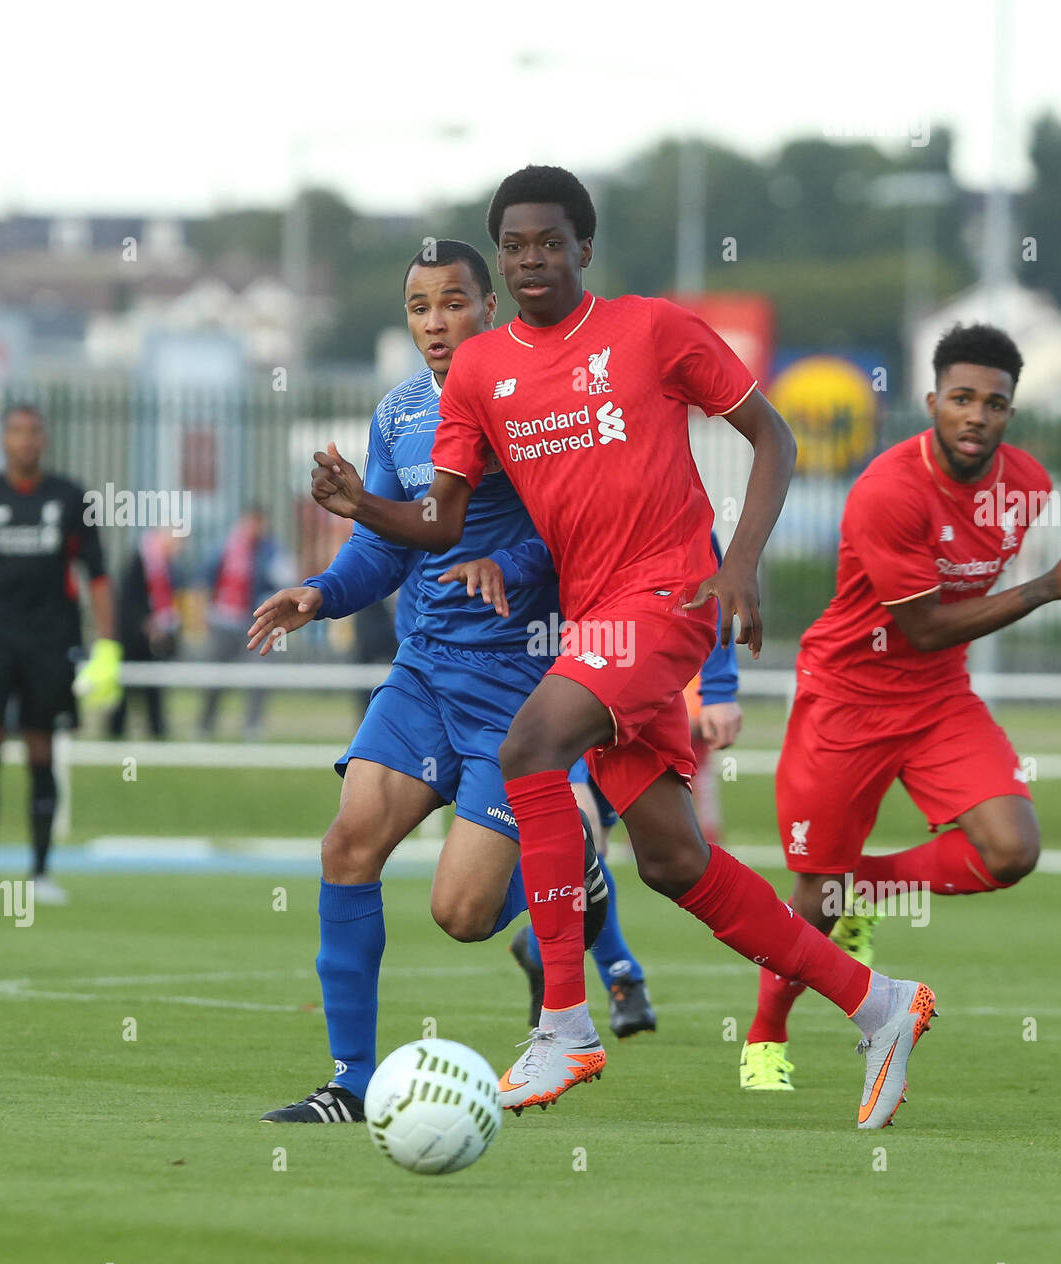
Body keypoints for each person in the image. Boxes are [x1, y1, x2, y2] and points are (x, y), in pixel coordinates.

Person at [311, 166, 936, 1129]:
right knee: (676, 862)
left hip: (667, 595)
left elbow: (773, 438)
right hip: (595, 615)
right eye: (514, 245)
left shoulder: (649, 329)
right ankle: (880, 1002)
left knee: (530, 748)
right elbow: (439, 521)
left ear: (584, 248)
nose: (530, 260)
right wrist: (364, 508)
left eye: (549, 242)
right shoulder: (479, 373)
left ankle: (565, 1021)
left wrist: (744, 565)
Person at [250, 240, 606, 1124]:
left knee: (463, 914)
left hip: (520, 683)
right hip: (424, 671)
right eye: (419, 307)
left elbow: (579, 529)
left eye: (453, 302)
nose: (436, 322)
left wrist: (510, 565)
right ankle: (353, 1080)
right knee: (347, 845)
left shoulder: (538, 402)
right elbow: (384, 540)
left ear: (489, 308)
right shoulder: (400, 412)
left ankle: (578, 874)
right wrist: (321, 592)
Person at [740, 323, 1061, 1093]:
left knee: (1010, 851)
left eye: (995, 403)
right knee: (814, 894)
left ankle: (865, 888)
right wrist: (1045, 589)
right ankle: (766, 1036)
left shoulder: (1029, 485)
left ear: (1011, 411)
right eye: (962, 398)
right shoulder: (886, 490)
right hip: (845, 698)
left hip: (938, 698)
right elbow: (925, 622)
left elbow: (943, 634)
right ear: (932, 400)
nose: (977, 414)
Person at [508, 532, 743, 1037]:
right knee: (579, 836)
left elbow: (709, 579)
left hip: (616, 681)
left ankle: (540, 947)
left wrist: (720, 687)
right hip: (537, 685)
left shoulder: (656, 484)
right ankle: (619, 978)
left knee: (615, 854)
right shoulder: (520, 474)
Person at [0, 403, 122, 903]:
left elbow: (98, 575)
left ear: (45, 439)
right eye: (16, 432)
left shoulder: (71, 498)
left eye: (34, 431)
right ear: (3, 440)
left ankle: (39, 875)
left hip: (51, 641)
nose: (25, 440)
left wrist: (107, 644)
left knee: (42, 752)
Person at [198, 508, 294, 740]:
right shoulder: (224, 546)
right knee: (215, 677)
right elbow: (204, 578)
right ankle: (206, 724)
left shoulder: (270, 550)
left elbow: (285, 579)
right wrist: (205, 615)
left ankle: (253, 724)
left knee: (259, 674)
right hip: (223, 620)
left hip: (253, 622)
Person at [109, 530, 182, 740]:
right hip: (133, 636)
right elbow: (128, 601)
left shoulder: (163, 566)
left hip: (150, 637)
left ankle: (156, 729)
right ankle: (116, 729)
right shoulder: (141, 563)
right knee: (125, 686)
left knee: (152, 686)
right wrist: (146, 624)